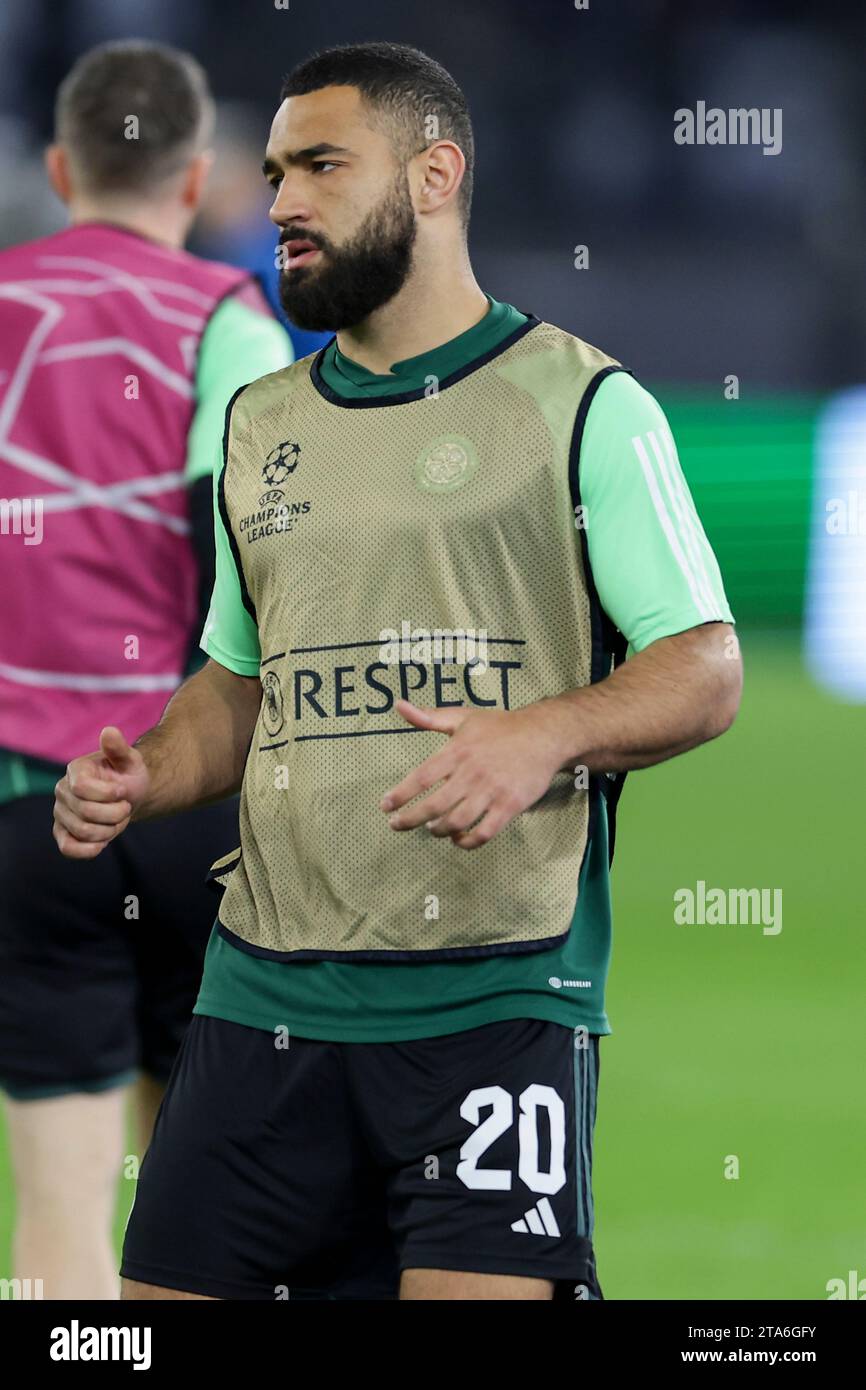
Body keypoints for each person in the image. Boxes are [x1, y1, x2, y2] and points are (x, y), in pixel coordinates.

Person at [53, 41, 742, 1302]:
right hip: (258, 999)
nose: (278, 204)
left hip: (490, 1000)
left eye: (320, 165)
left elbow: (703, 665)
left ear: (434, 175)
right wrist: (146, 774)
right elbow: (238, 685)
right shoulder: (259, 420)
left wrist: (538, 734)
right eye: (269, 173)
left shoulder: (581, 403)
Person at [0, 40, 291, 1299]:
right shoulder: (227, 321)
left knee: (58, 1209)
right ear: (199, 180)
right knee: (210, 1201)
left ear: (61, 168)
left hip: (24, 800)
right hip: (194, 800)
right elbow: (281, 545)